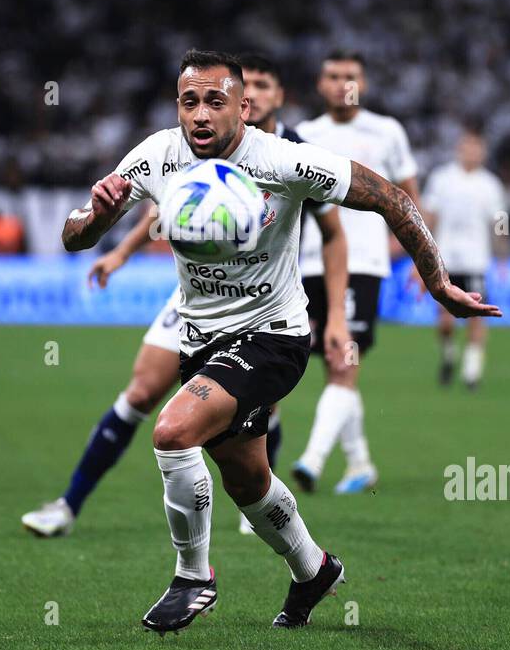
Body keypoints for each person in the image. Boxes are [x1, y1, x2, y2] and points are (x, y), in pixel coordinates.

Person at [62, 49, 499, 634]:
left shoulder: (284, 161)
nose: (200, 114)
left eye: (215, 101)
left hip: (274, 337)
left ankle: (193, 578)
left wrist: (438, 281)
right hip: (203, 340)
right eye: (189, 101)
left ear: (244, 107)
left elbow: (393, 199)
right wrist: (95, 216)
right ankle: (313, 569)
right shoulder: (157, 155)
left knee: (171, 432)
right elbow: (74, 237)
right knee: (248, 481)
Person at [22, 54, 349, 537]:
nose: (252, 93)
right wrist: (120, 250)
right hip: (193, 304)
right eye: (193, 100)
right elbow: (168, 205)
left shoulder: (292, 155)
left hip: (262, 313)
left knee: (242, 411)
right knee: (140, 394)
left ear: (268, 98)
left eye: (260, 86)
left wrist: (336, 314)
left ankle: (235, 528)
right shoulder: (181, 148)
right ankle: (68, 505)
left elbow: (335, 233)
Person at [290, 50, 422, 494]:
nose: (342, 83)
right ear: (319, 84)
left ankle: (312, 459)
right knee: (332, 365)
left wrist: (418, 258)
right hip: (307, 264)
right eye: (333, 75)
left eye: (351, 75)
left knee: (343, 362)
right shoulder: (303, 135)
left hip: (363, 265)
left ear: (362, 83)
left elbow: (408, 199)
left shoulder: (387, 131)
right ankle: (361, 463)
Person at [421, 127, 507, 390]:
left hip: (475, 260)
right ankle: (449, 354)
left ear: (482, 152)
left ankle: (472, 372)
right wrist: (422, 250)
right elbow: (428, 216)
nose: (472, 152)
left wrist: (502, 254)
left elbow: (499, 221)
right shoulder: (442, 179)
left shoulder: (490, 184)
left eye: (476, 147)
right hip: (444, 259)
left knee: (477, 315)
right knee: (445, 320)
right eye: (467, 146)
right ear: (459, 149)